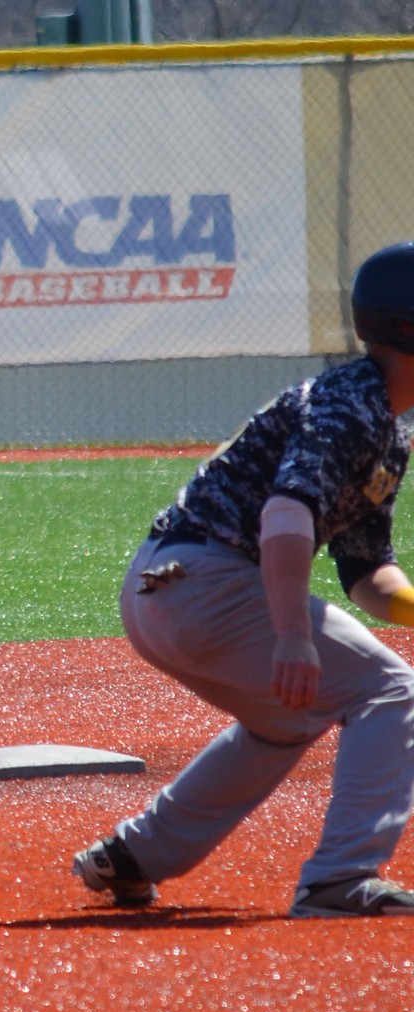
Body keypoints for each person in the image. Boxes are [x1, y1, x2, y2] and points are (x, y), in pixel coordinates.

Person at [73, 241, 414, 919]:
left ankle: (137, 854)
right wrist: (292, 634)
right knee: (390, 691)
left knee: (285, 719)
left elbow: (365, 571)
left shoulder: (384, 427)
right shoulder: (353, 406)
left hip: (166, 588)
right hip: (207, 582)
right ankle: (340, 880)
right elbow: (286, 511)